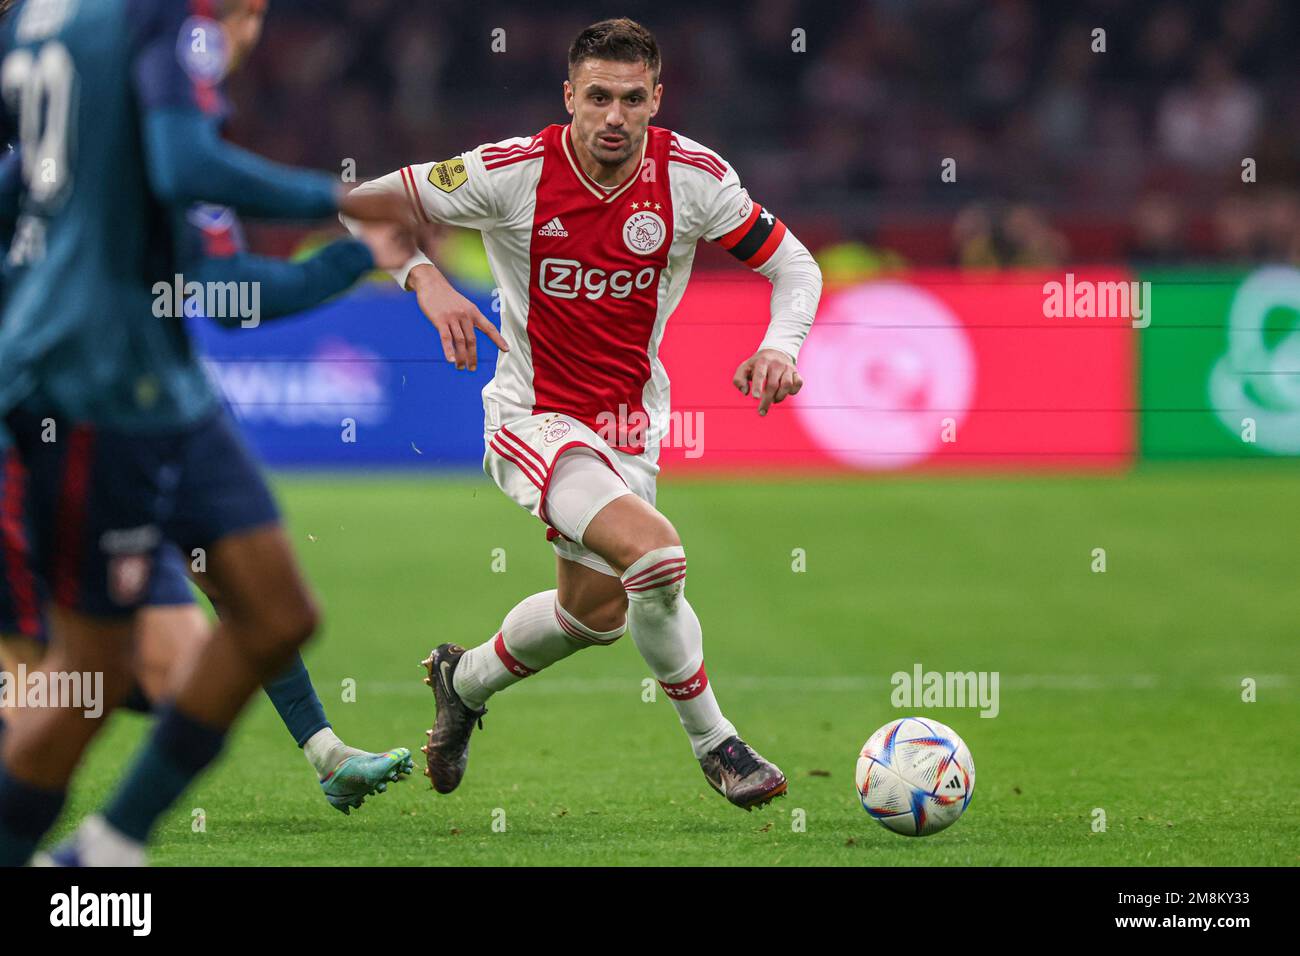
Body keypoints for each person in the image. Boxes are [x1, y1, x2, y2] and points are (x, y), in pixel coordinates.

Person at [346, 18, 821, 810]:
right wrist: (426, 280)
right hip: (533, 417)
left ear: (656, 100)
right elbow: (362, 202)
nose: (614, 116)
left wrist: (782, 347)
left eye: (632, 99)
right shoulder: (512, 172)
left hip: (629, 428)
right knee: (658, 558)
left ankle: (461, 681)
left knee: (593, 613)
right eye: (597, 96)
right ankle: (718, 744)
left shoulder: (694, 179)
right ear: (569, 96)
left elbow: (793, 265)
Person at [0, 0, 412, 866]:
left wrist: (348, 251)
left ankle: (111, 844)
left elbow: (221, 282)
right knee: (88, 679)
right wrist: (336, 198)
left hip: (155, 386)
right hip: (81, 382)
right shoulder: (158, 25)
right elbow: (185, 162)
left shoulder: (52, 32)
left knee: (267, 614)